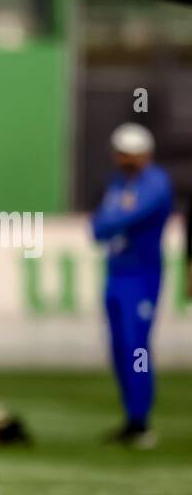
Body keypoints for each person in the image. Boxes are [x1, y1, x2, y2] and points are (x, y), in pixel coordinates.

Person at [90, 123, 173, 449]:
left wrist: (111, 219)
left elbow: (118, 220)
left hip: (142, 276)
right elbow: (98, 228)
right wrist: (109, 219)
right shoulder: (117, 184)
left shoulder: (156, 183)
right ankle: (130, 418)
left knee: (136, 345)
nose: (125, 160)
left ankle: (141, 420)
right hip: (116, 273)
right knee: (119, 348)